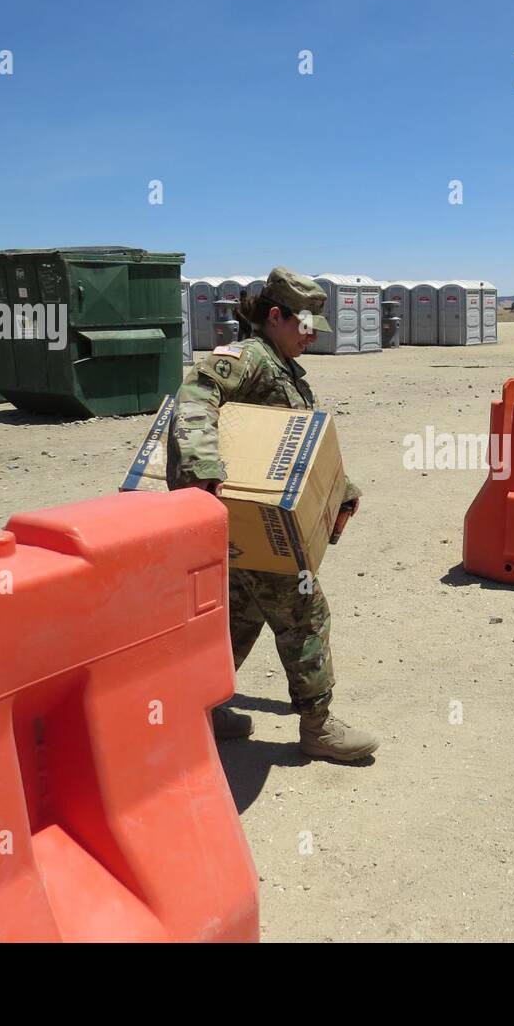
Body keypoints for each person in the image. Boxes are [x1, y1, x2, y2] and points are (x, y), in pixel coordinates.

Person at [167, 267, 379, 762]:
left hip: (252, 526)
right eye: (303, 327)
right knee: (307, 614)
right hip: (255, 520)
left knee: (237, 619)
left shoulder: (284, 368)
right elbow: (195, 397)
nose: (310, 338)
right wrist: (203, 466)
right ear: (276, 316)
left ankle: (202, 706)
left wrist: (339, 491)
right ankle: (318, 727)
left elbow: (297, 446)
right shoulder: (248, 358)